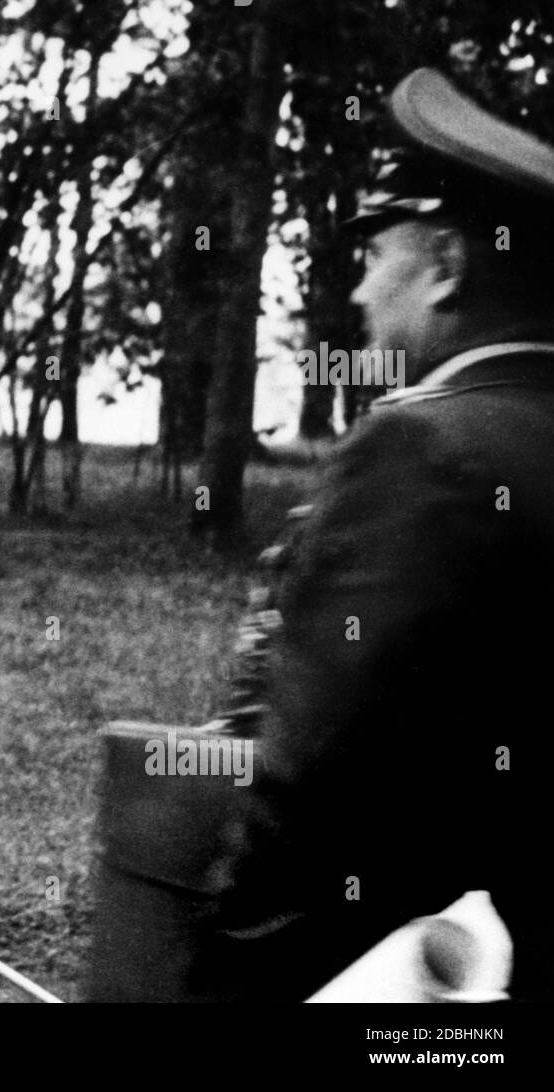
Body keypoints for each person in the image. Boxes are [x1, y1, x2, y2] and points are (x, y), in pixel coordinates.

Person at [208, 68, 554, 1002]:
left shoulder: (421, 447)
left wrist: (228, 969)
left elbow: (312, 787)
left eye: (376, 255)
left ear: (446, 263)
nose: (359, 290)